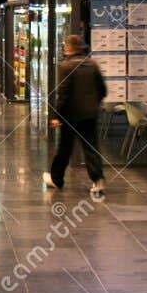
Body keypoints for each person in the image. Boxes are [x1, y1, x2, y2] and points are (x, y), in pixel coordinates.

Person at [45, 34, 107, 200]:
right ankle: (98, 180)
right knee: (91, 148)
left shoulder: (65, 66)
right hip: (90, 115)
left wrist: (56, 115)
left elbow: (63, 95)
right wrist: (94, 104)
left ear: (69, 48)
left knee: (64, 149)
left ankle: (56, 179)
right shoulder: (93, 65)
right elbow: (103, 89)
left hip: (70, 116)